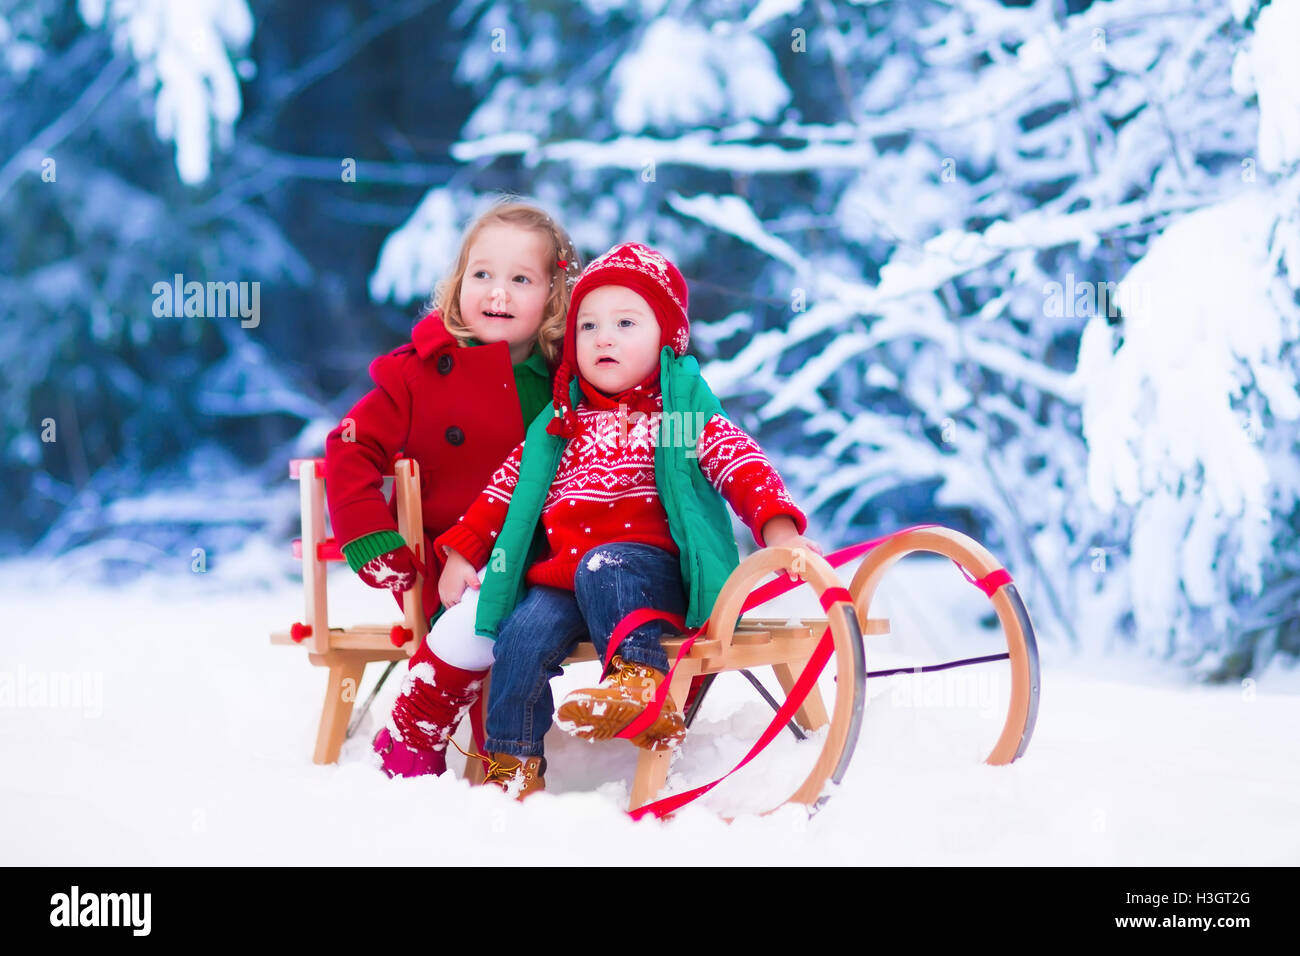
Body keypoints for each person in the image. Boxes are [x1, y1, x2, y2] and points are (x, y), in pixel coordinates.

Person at [431, 242, 820, 798]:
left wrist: (779, 527)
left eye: (624, 323)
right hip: (563, 580)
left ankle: (639, 682)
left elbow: (738, 460)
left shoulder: (675, 417)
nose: (602, 337)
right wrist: (463, 552)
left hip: (647, 574)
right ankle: (512, 763)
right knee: (518, 636)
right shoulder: (560, 424)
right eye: (587, 325)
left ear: (667, 338)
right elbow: (505, 492)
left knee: (604, 564)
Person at [322, 199, 580, 778]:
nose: (498, 293)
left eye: (521, 279)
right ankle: (457, 743)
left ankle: (533, 748)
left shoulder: (570, 376)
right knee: (495, 611)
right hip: (447, 561)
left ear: (555, 294)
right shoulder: (419, 373)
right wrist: (368, 535)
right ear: (458, 283)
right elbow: (350, 443)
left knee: (558, 598)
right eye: (482, 274)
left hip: (551, 557)